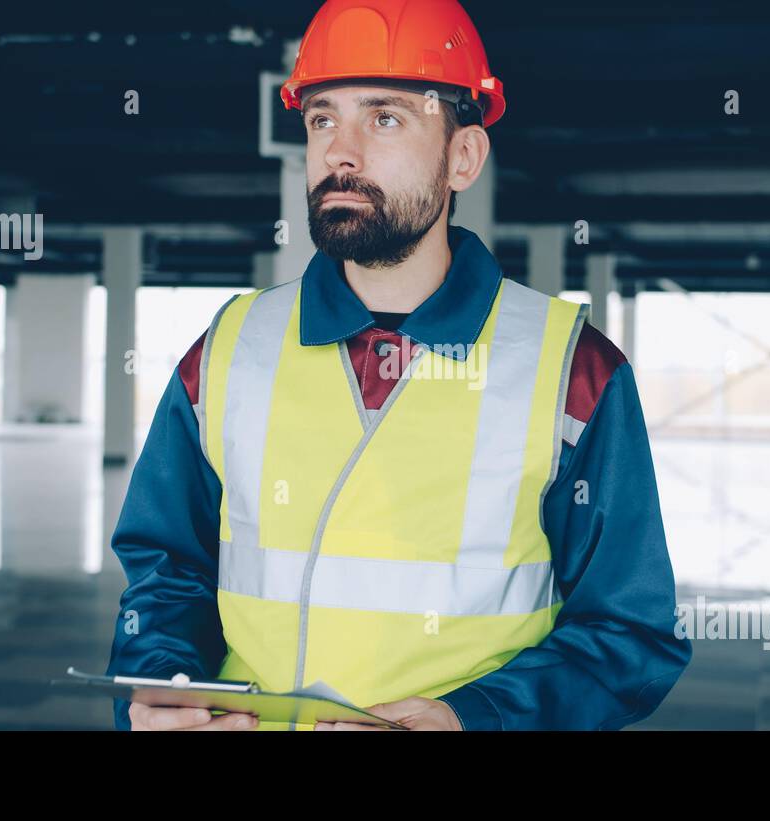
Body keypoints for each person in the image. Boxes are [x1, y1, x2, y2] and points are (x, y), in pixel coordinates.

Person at [106, 0, 690, 731]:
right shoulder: (227, 350)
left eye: (384, 118)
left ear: (463, 158)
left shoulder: (574, 374)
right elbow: (167, 569)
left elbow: (629, 633)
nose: (340, 152)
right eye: (322, 118)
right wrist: (166, 685)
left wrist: (472, 717)